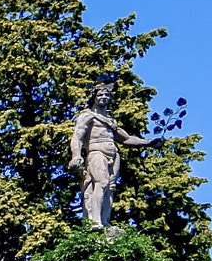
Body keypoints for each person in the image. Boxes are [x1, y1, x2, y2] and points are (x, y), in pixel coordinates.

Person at [69, 81, 163, 230]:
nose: (104, 97)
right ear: (94, 97)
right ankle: (95, 222)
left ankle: (104, 221)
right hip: (96, 152)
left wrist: (149, 142)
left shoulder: (111, 122)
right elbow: (77, 137)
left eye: (107, 94)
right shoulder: (88, 116)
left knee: (110, 187)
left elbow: (126, 139)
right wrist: (76, 155)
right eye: (100, 94)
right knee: (101, 183)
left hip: (113, 154)